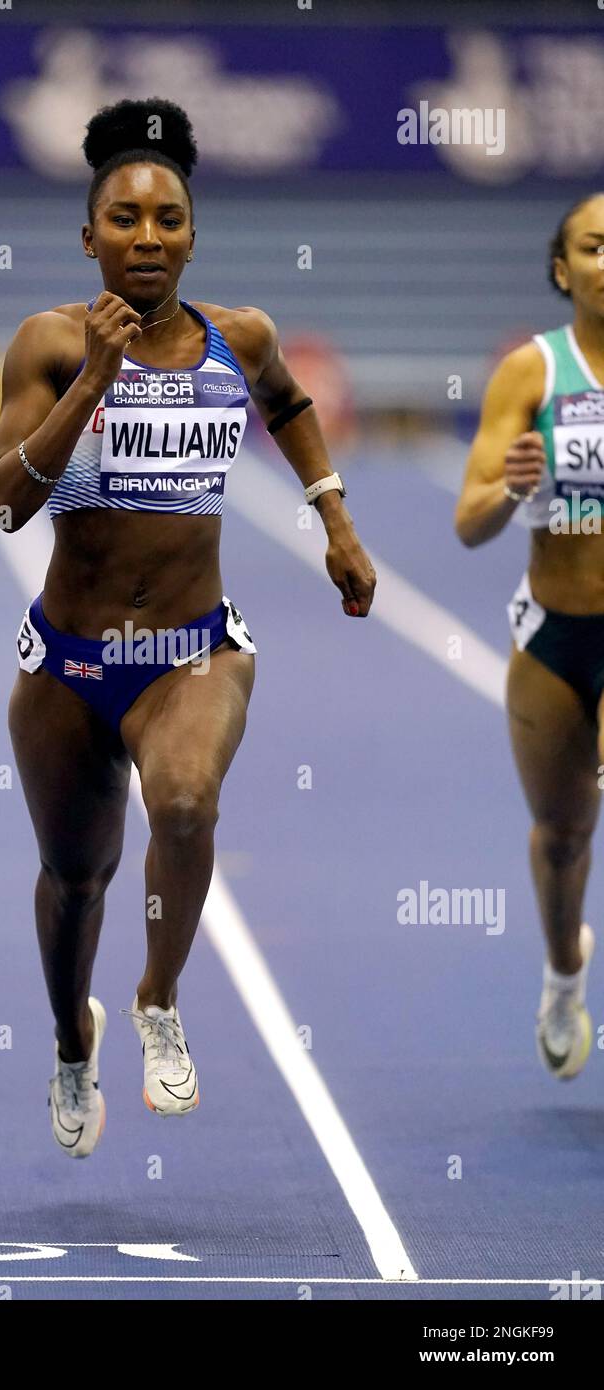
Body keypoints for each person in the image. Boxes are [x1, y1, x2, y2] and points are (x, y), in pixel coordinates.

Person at [0, 97, 376, 1156]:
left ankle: (158, 997)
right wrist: (96, 384)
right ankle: (74, 1040)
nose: (145, 238)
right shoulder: (51, 343)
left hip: (192, 652)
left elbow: (289, 405)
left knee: (189, 802)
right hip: (68, 664)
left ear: (191, 235)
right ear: (89, 237)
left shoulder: (235, 338)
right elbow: (5, 502)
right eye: (123, 219)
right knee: (75, 879)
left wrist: (333, 518)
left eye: (166, 220)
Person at [456, 192, 604, 1080]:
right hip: (553, 632)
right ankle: (561, 976)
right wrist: (512, 488)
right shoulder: (530, 373)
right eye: (594, 246)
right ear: (563, 269)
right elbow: (469, 522)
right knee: (559, 833)